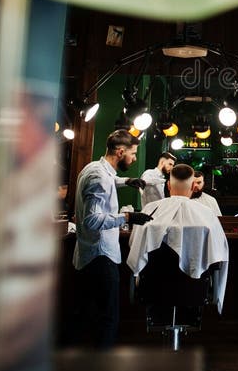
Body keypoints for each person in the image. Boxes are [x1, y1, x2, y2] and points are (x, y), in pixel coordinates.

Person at [72, 129, 151, 348]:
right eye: (132, 154)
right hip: (101, 257)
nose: (134, 159)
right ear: (120, 152)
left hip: (87, 254)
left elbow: (109, 180)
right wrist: (128, 217)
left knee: (83, 315)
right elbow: (92, 220)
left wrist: (127, 181)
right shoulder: (99, 178)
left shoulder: (94, 168)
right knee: (109, 318)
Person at [128, 163, 229, 322]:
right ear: (193, 187)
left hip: (153, 289)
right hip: (194, 291)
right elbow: (219, 254)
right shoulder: (207, 215)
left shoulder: (149, 210)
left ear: (168, 185)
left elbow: (134, 247)